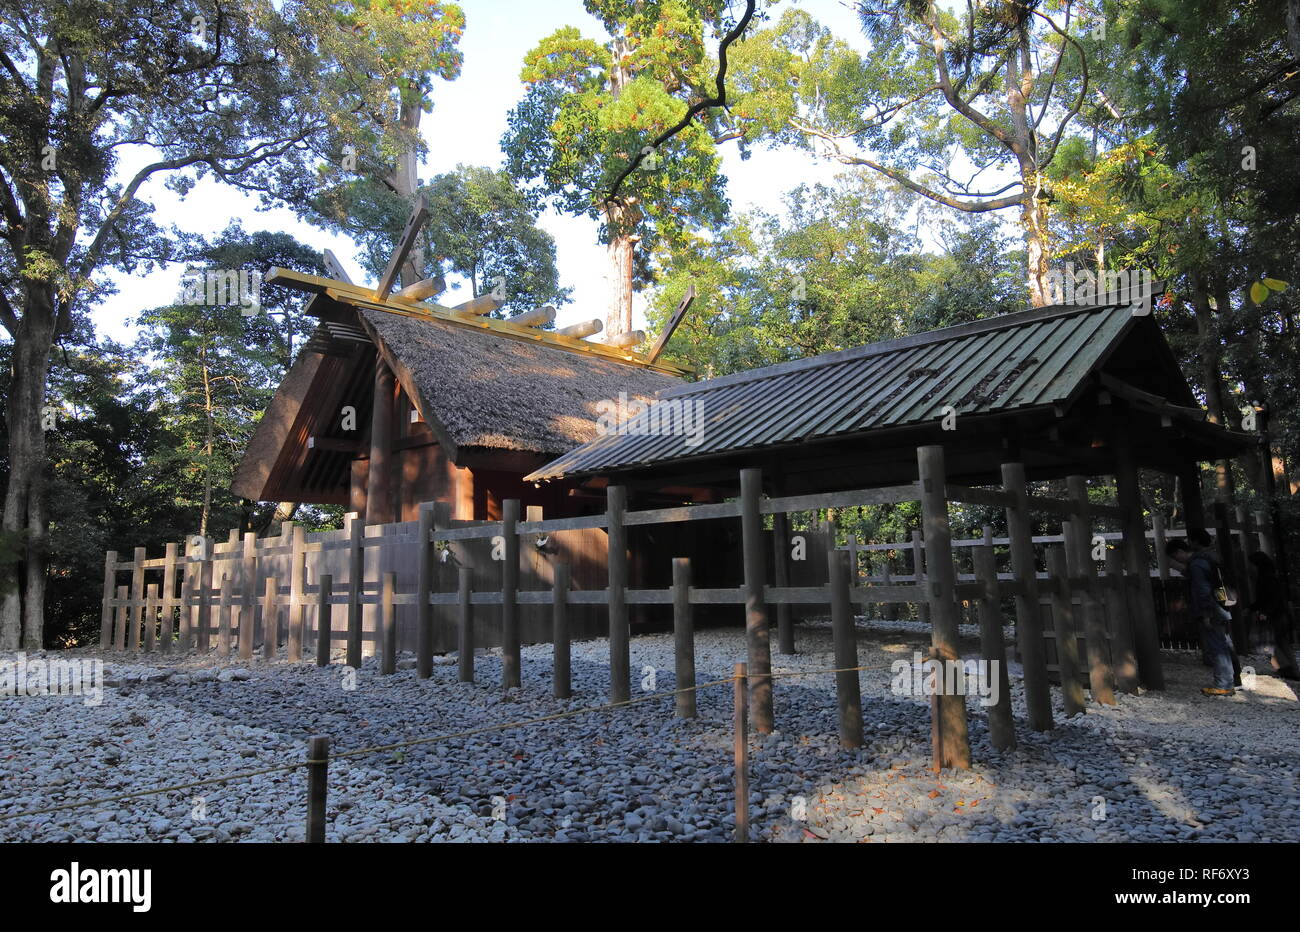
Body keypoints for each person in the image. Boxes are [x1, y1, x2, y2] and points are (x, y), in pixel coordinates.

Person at [1166, 529, 1236, 696]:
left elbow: (1202, 591)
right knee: (1224, 644)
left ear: (1180, 552)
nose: (1177, 560)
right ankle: (1230, 681)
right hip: (1221, 605)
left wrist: (1206, 613)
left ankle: (1223, 684)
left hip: (1211, 610)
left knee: (1217, 647)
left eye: (1176, 557)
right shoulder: (1211, 558)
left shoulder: (1197, 564)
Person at [1248, 551, 1299, 680]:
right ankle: (1292, 669)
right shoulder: (1270, 577)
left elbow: (1270, 599)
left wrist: (1264, 612)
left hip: (1274, 616)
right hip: (1279, 614)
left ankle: (1286, 668)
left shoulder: (1265, 579)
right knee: (1282, 643)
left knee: (1271, 643)